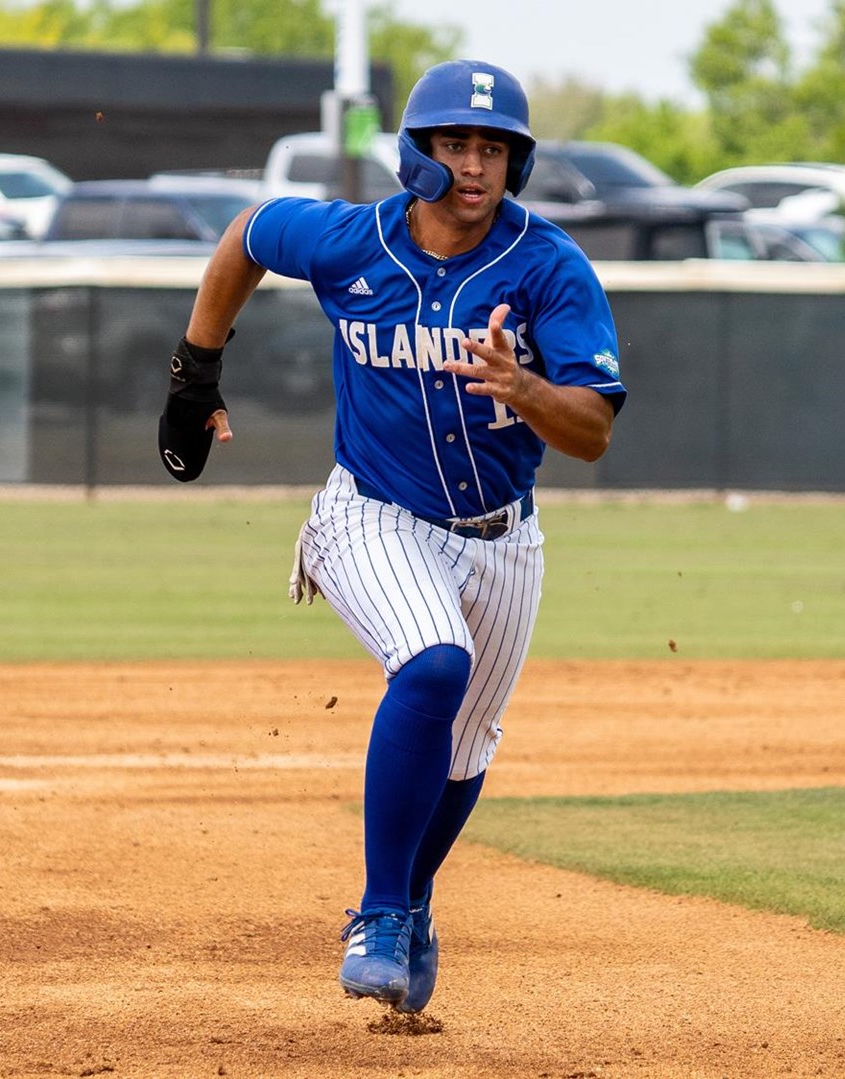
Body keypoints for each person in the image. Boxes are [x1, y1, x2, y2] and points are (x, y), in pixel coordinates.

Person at [158, 60, 626, 1013]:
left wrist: (526, 388)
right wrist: (195, 370)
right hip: (371, 511)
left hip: (504, 539)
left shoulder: (548, 267)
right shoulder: (350, 239)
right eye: (454, 143)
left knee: (466, 746)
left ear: (516, 165)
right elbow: (248, 234)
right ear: (415, 152)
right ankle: (376, 911)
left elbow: (593, 431)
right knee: (433, 663)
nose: (474, 165)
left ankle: (412, 900)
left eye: (493, 148)